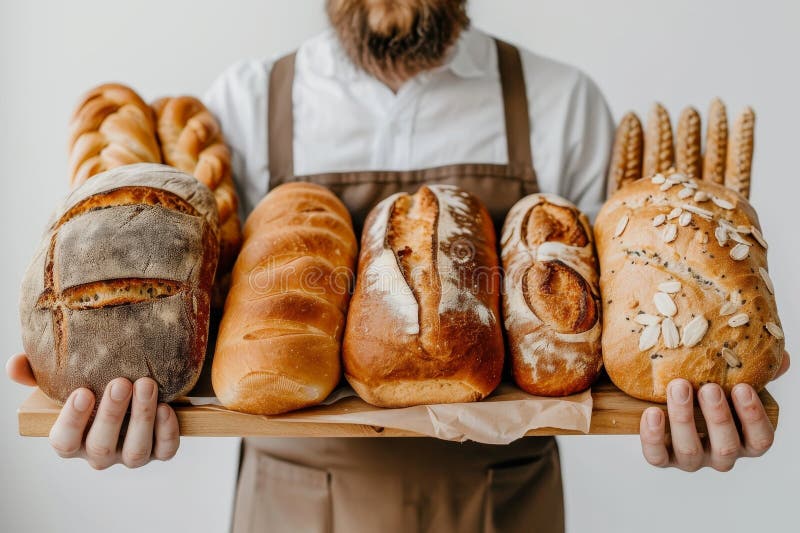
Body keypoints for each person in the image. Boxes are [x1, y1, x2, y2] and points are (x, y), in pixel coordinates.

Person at [6, 0, 791, 531]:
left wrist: (683, 415)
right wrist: (122, 393)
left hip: (503, 507)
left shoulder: (563, 104)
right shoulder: (244, 103)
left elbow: (614, 349)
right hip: (290, 509)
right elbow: (194, 342)